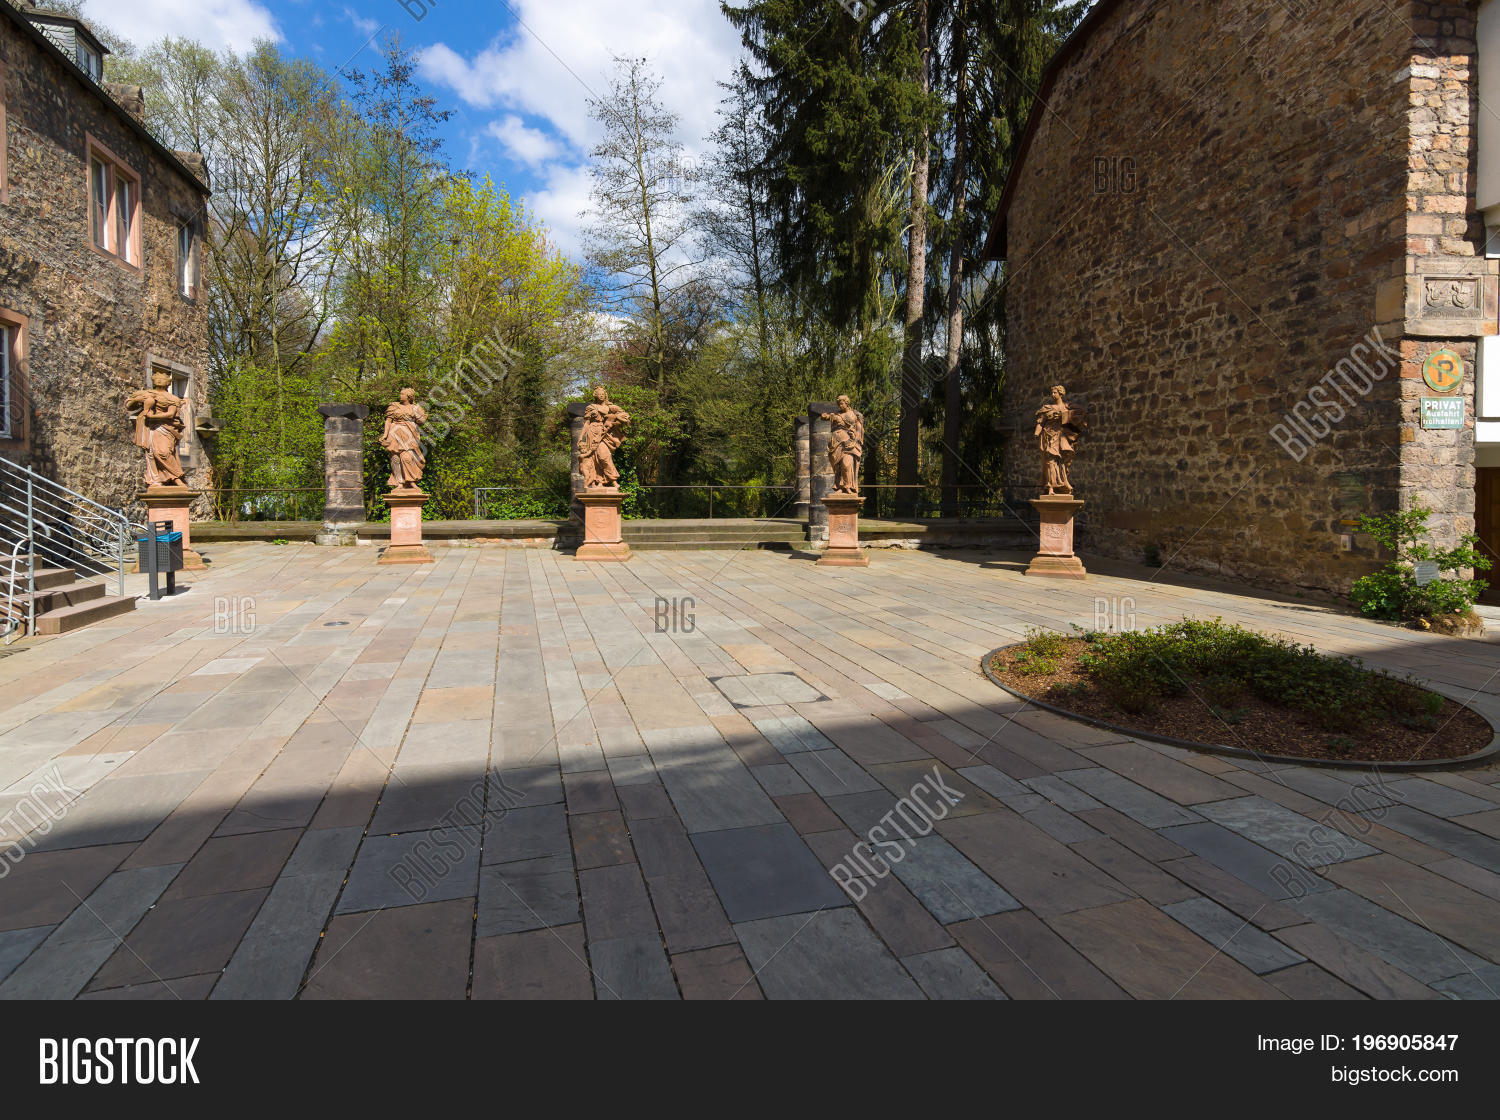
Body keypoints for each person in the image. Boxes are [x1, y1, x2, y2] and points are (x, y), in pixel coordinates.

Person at [124, 370, 187, 488]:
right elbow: (129, 405)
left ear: (168, 383)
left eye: (162, 379)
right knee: (151, 453)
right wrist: (138, 400)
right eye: (156, 378)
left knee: (163, 452)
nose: (159, 380)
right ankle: (156, 479)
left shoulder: (172, 398)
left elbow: (170, 414)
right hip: (150, 427)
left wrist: (153, 416)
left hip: (165, 427)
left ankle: (177, 477)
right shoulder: (147, 393)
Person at [1035, 384, 1086, 495]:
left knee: (1062, 462)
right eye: (1052, 393)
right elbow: (1040, 422)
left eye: (1055, 393)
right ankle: (1051, 488)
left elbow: (1080, 414)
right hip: (1049, 436)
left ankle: (1062, 484)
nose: (1053, 395)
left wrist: (1063, 415)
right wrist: (1037, 433)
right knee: (1050, 461)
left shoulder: (1067, 407)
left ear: (1061, 394)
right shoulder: (1047, 408)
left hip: (1062, 437)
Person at [578, 387, 631, 488]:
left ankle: (613, 480)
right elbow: (586, 423)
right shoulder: (591, 407)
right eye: (599, 393)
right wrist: (581, 437)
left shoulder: (610, 407)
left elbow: (624, 416)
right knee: (595, 458)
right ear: (595, 395)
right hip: (592, 432)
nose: (601, 395)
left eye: (603, 393)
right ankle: (599, 481)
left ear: (605, 395)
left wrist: (615, 422)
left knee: (604, 456)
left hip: (604, 433)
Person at [380, 388, 427, 492]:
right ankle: (399, 482)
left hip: (409, 434)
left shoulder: (415, 407)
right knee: (395, 458)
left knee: (407, 457)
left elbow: (422, 421)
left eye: (402, 394)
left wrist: (418, 416)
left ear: (409, 396)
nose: (400, 395)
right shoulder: (394, 406)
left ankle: (411, 481)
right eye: (400, 393)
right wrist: (385, 434)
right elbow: (388, 421)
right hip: (394, 433)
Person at [820, 395, 864, 494]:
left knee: (846, 464)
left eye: (842, 404)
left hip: (849, 444)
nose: (840, 406)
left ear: (847, 403)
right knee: (838, 466)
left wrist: (854, 440)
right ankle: (840, 487)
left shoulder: (854, 414)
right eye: (839, 404)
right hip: (836, 443)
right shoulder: (836, 415)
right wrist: (824, 416)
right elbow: (827, 417)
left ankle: (848, 486)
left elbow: (859, 429)